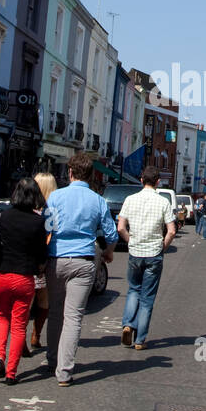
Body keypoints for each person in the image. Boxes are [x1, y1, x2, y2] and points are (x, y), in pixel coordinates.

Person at [42, 153, 118, 386]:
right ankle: (64, 372)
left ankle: (52, 359)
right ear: (91, 174)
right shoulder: (98, 200)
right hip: (84, 261)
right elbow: (112, 234)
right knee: (74, 317)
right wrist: (108, 252)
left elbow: (46, 227)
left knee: (55, 312)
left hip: (56, 258)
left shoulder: (55, 197)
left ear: (71, 173)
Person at [0, 177, 49, 385]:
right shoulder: (38, 222)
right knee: (18, 326)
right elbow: (42, 254)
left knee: (2, 318)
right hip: (24, 278)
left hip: (3, 276)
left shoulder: (2, 216)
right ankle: (11, 373)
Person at [117, 165, 177, 350]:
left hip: (135, 252)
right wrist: (163, 247)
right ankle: (139, 340)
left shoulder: (130, 199)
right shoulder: (163, 202)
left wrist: (130, 241)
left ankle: (128, 324)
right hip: (154, 254)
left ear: (141, 180)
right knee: (147, 298)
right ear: (158, 182)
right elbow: (172, 231)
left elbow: (120, 227)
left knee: (134, 289)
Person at [29, 172, 58, 351]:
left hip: (27, 260)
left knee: (26, 303)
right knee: (44, 302)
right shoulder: (51, 211)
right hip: (45, 260)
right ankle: (36, 335)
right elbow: (52, 234)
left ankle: (21, 339)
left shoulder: (27, 209)